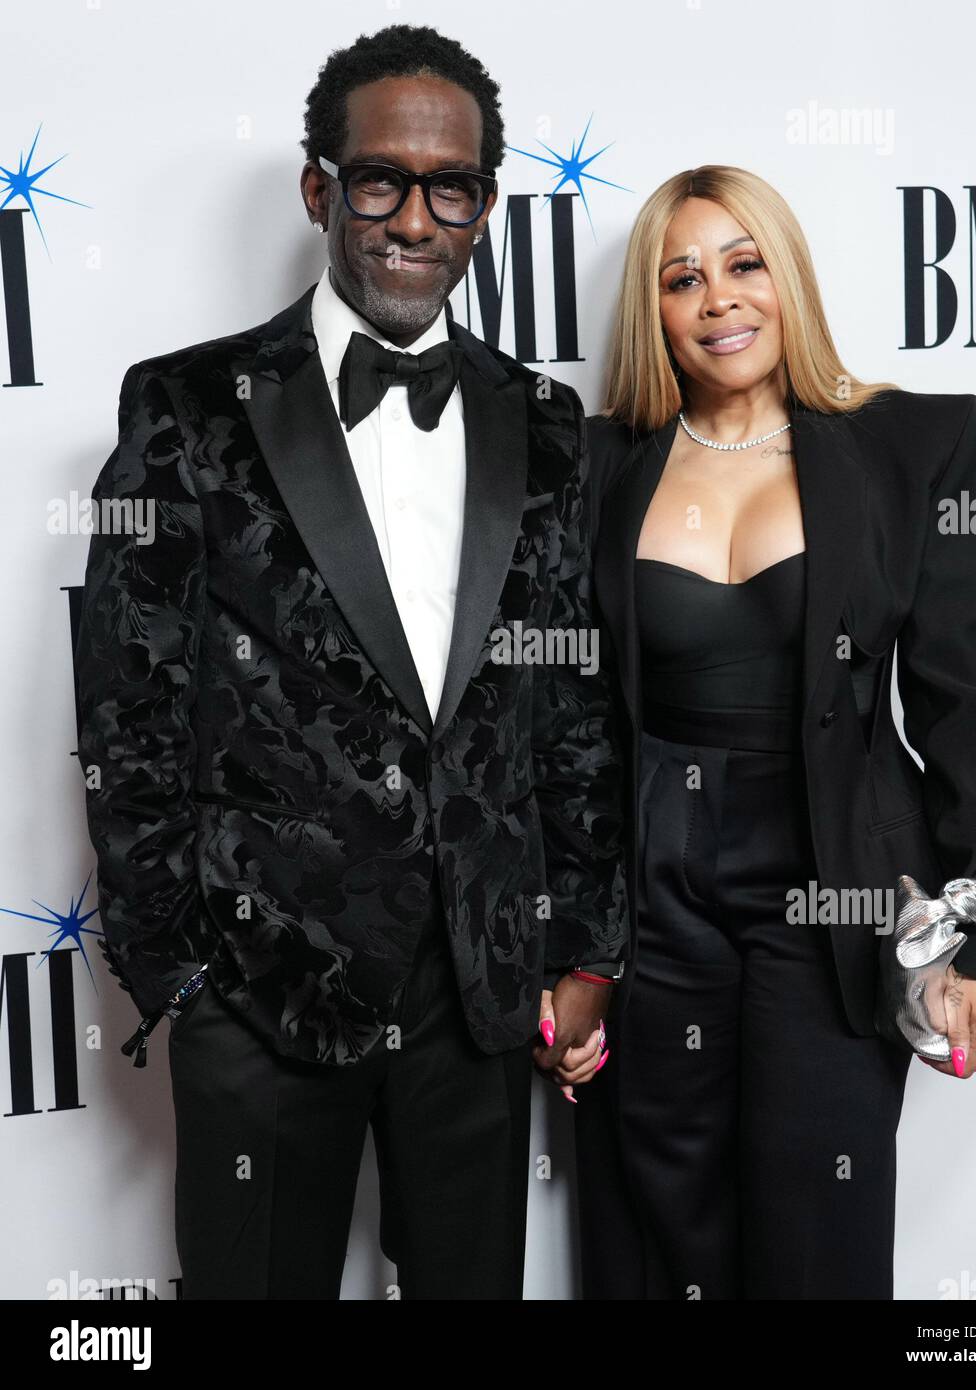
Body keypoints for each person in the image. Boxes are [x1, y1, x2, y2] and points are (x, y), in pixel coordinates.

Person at [75, 23, 626, 1301]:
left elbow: (569, 703)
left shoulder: (543, 421)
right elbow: (127, 704)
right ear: (320, 187)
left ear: (484, 205)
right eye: (380, 180)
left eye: (451, 188)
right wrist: (183, 973)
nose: (413, 220)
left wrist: (583, 949)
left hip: (479, 989)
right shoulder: (185, 407)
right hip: (262, 985)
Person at [575, 165, 976, 1299]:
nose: (717, 299)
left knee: (814, 1233)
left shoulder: (914, 446)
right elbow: (568, 717)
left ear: (786, 276)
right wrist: (567, 943)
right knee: (656, 1229)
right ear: (654, 309)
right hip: (652, 896)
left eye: (743, 264)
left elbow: (963, 696)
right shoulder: (595, 465)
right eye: (681, 277)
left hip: (828, 892)